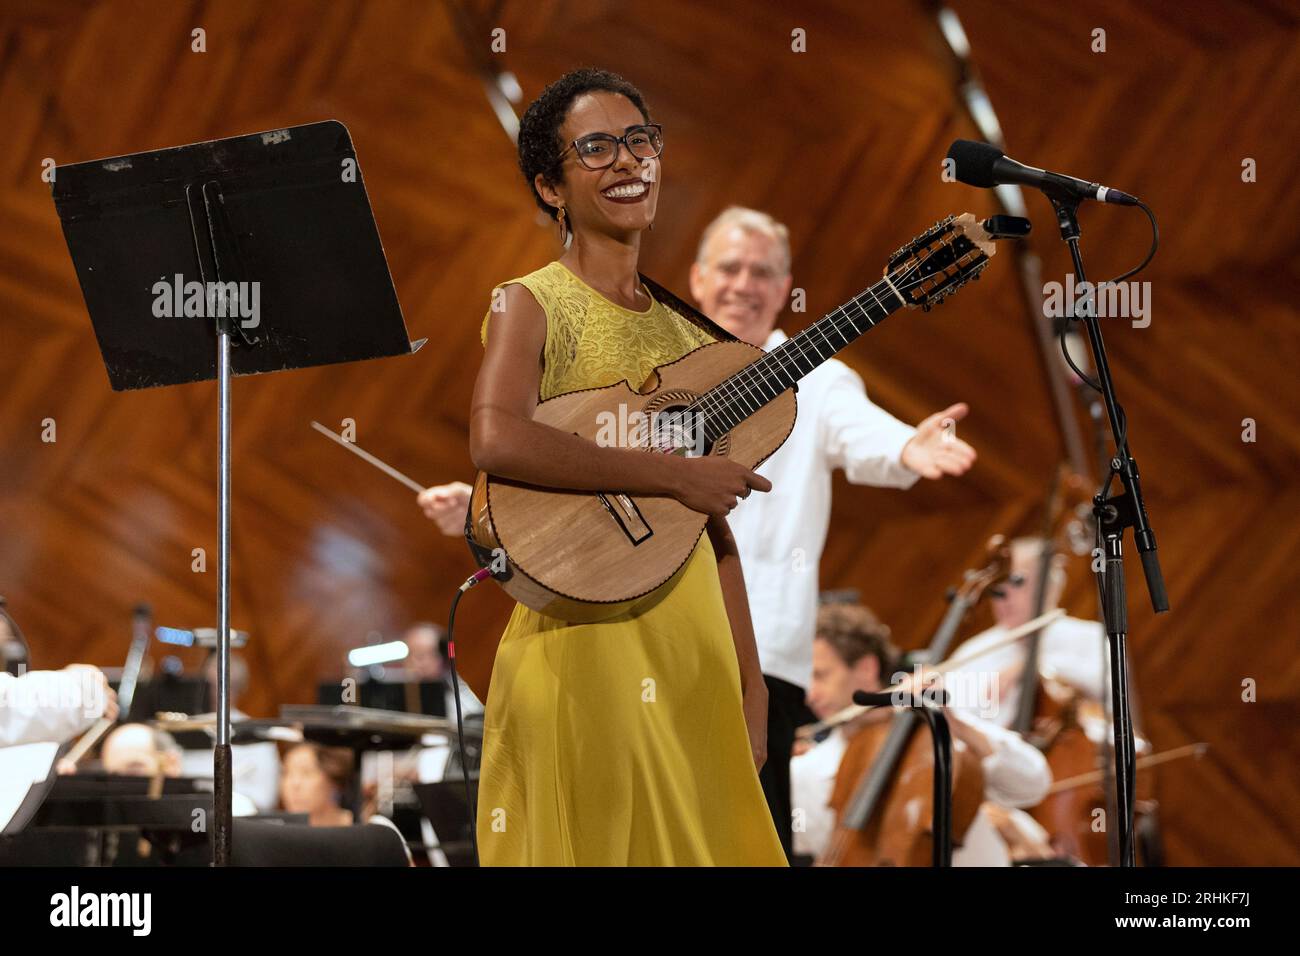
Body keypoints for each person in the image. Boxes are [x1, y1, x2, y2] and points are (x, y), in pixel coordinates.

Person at [465, 68, 785, 865]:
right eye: (597, 147)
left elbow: (713, 527)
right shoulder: (529, 300)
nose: (628, 160)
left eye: (640, 140)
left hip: (694, 644)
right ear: (551, 186)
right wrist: (674, 474)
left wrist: (753, 687)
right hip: (584, 629)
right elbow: (495, 439)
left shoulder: (692, 338)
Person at [687, 206, 978, 859]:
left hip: (762, 651)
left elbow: (859, 430)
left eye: (761, 272)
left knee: (748, 838)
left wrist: (907, 447)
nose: (743, 284)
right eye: (729, 267)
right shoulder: (656, 371)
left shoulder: (814, 378)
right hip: (658, 640)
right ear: (698, 279)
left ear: (786, 288)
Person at [791, 602, 1050, 865]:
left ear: (867, 668)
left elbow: (1033, 784)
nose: (810, 694)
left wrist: (955, 724)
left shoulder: (938, 734)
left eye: (820, 675)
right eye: (805, 679)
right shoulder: (804, 772)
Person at [945, 536, 1108, 731]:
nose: (1003, 595)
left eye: (1017, 582)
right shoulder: (974, 650)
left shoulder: (1088, 637)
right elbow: (956, 715)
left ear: (1049, 586)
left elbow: (1107, 692)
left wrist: (1032, 666)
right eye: (998, 584)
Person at [280, 742, 354, 827]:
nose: (295, 784)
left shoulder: (357, 825)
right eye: (286, 773)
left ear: (333, 779)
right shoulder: (277, 831)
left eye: (306, 773)